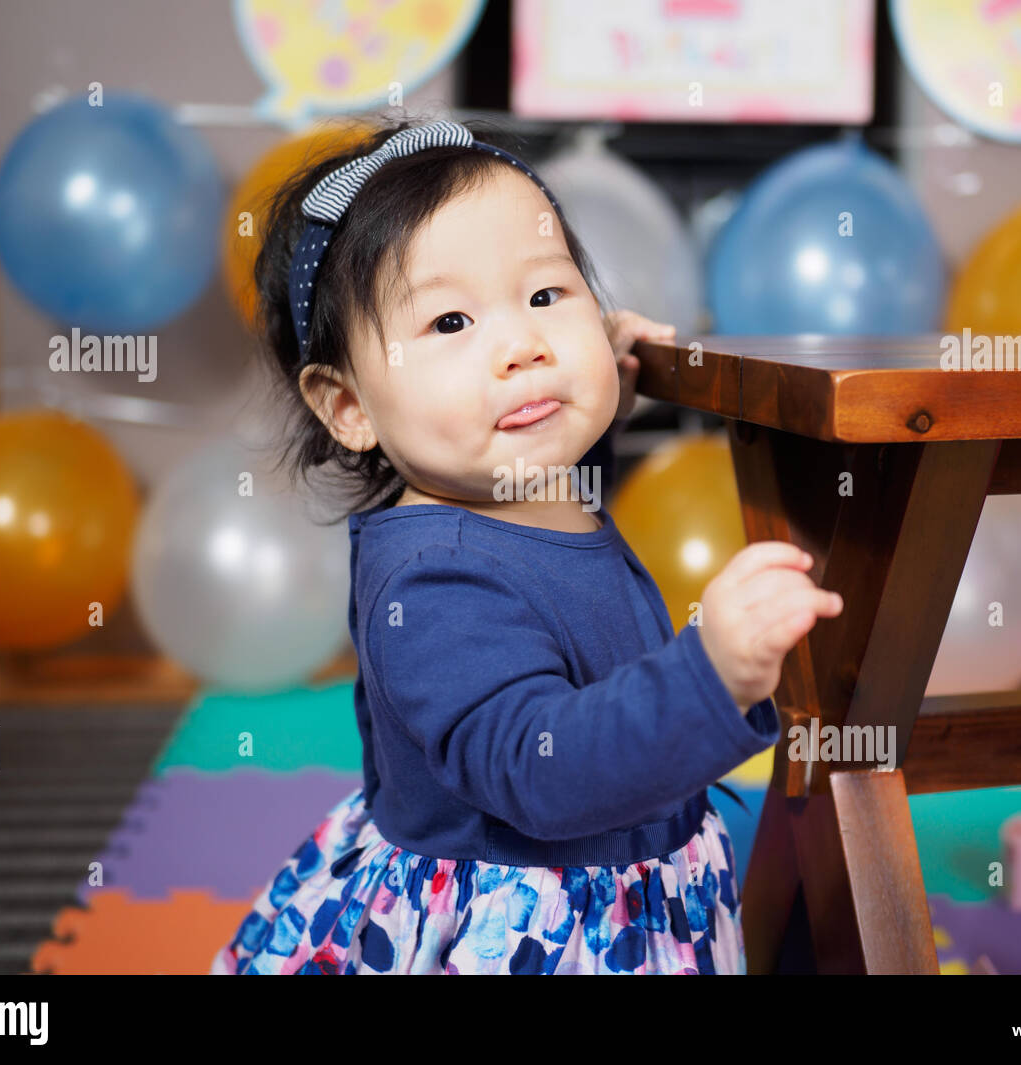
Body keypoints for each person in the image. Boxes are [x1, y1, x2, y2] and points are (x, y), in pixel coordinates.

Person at [211, 115, 842, 975]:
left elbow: (564, 522)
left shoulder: (527, 479)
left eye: (547, 296)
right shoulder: (430, 583)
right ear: (349, 407)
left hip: (627, 887)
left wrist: (601, 396)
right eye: (450, 322)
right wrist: (713, 676)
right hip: (527, 929)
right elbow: (540, 770)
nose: (522, 347)